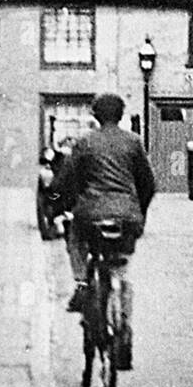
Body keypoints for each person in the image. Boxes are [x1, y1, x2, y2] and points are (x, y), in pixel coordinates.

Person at [49, 93, 156, 317]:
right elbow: (148, 183)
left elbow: (65, 180)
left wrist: (56, 206)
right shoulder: (133, 142)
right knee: (120, 260)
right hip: (127, 217)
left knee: (75, 236)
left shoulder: (85, 142)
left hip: (90, 215)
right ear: (121, 115)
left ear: (96, 115)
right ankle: (122, 316)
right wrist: (140, 213)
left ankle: (81, 284)